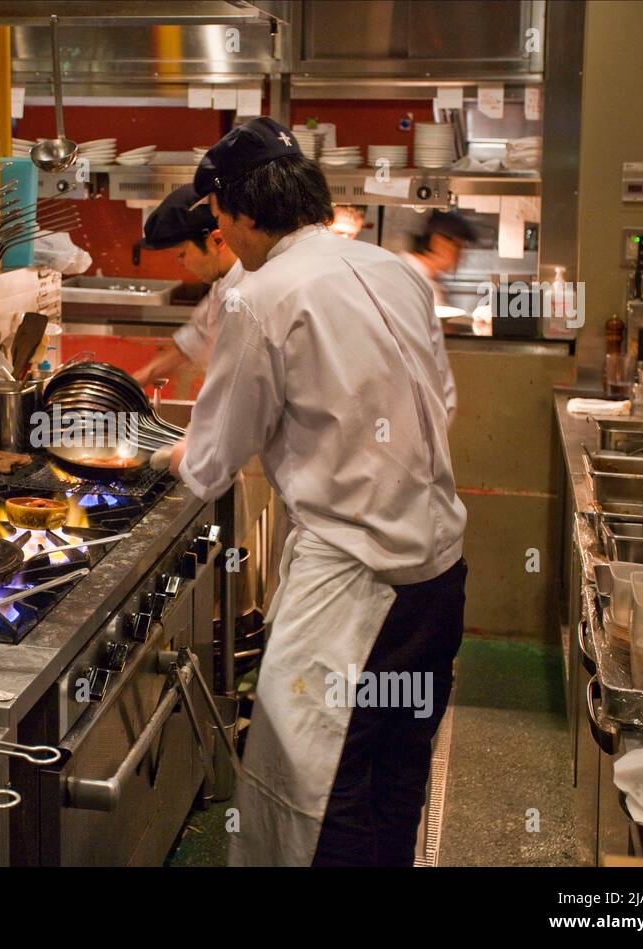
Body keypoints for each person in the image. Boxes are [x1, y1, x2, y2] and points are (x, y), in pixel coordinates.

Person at [152, 116, 468, 867]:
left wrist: (163, 457)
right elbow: (442, 399)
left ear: (242, 211)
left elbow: (210, 460)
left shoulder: (259, 298)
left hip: (356, 595)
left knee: (321, 800)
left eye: (220, 214)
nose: (222, 230)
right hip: (439, 578)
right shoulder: (395, 270)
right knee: (396, 777)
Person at [131, 184, 244, 388]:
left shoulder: (247, 291)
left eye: (182, 255)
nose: (182, 265)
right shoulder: (223, 282)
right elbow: (194, 340)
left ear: (217, 240)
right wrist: (134, 383)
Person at [397, 209, 472, 424]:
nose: (461, 256)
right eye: (458, 247)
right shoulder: (408, 275)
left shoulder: (429, 279)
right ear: (439, 242)